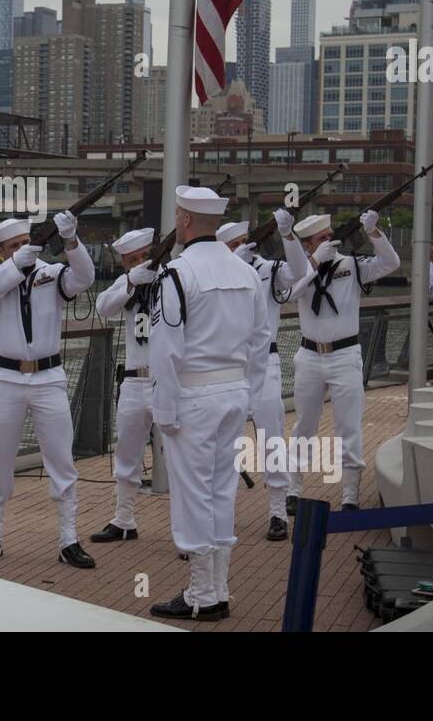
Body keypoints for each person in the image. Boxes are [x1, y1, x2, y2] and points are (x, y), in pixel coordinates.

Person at [147, 187, 269, 621]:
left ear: (183, 221)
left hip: (194, 396)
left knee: (193, 495)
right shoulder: (246, 272)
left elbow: (165, 350)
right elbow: (260, 340)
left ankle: (201, 594)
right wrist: (249, 393)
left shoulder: (177, 274)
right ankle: (218, 589)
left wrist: (162, 410)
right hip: (234, 391)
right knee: (222, 491)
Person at [0, 213, 97, 569]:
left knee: (61, 459)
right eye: (13, 246)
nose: (22, 249)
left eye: (25, 242)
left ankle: (69, 538)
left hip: (48, 377)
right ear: (1, 251)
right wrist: (16, 264)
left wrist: (71, 242)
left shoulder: (53, 274)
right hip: (7, 379)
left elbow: (85, 279)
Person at [279, 207, 400, 511]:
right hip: (309, 355)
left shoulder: (352, 266)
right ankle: (293, 489)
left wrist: (374, 233)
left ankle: (350, 495)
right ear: (308, 245)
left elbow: (390, 263)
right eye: (323, 239)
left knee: (349, 426)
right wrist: (313, 261)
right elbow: (291, 294)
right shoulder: (299, 270)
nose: (331, 242)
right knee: (304, 424)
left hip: (345, 355)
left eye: (331, 236)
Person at [215, 220, 298, 540]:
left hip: (266, 360)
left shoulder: (270, 269)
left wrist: (288, 236)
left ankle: (278, 511)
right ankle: (223, 511)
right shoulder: (219, 274)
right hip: (229, 363)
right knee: (224, 441)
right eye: (235, 243)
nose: (243, 246)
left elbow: (300, 270)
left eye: (244, 241)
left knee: (271, 437)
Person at [91, 228, 157, 544]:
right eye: (132, 260)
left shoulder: (170, 281)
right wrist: (131, 283)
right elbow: (103, 307)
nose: (140, 263)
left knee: (179, 457)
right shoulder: (127, 283)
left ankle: (187, 529)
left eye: (145, 257)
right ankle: (124, 520)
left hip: (166, 379)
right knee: (127, 454)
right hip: (133, 379)